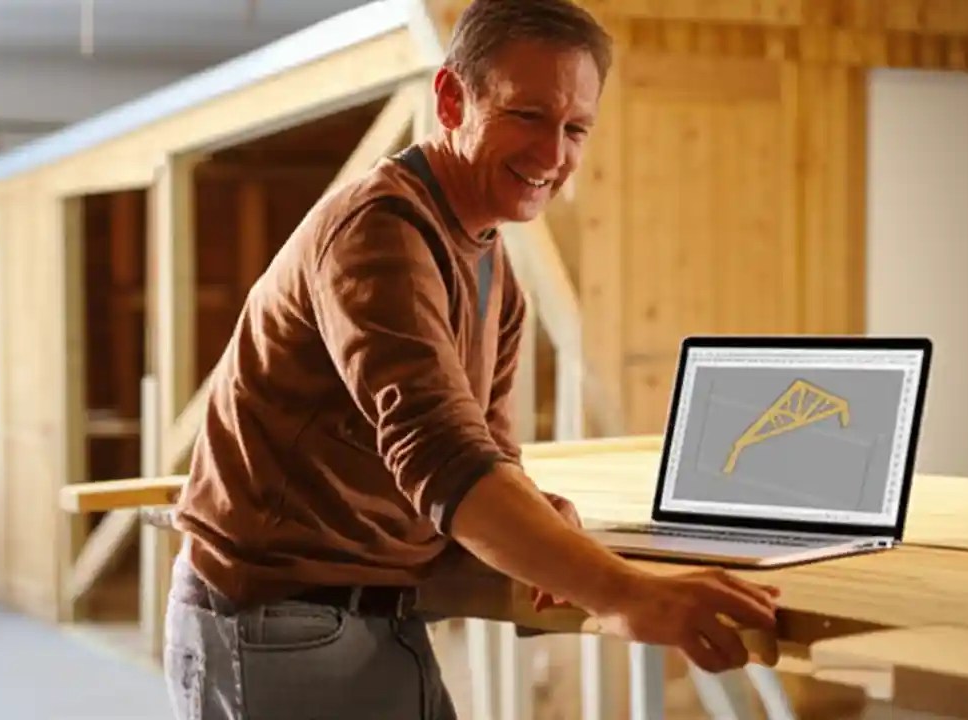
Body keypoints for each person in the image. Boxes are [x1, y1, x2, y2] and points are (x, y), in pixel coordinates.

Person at [163, 0, 781, 717]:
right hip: (280, 624)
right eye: (527, 116)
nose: (553, 157)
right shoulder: (379, 234)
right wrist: (623, 592)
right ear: (453, 99)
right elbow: (444, 459)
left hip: (376, 614)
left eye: (575, 128)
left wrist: (535, 521)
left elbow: (487, 457)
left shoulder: (494, 271)